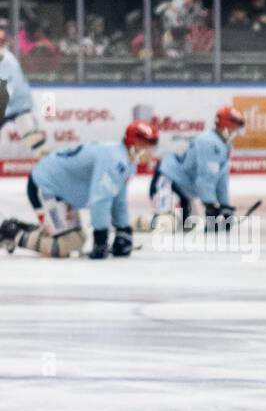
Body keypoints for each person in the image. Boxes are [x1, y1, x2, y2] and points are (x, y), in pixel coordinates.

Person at [2, 120, 158, 258]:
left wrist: (123, 231)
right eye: (147, 145)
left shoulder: (123, 160)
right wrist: (101, 238)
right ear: (134, 144)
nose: (151, 151)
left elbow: (118, 199)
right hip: (46, 186)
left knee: (77, 238)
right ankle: (10, 232)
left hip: (55, 187)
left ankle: (21, 229)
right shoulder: (116, 161)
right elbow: (100, 200)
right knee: (68, 244)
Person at [151, 106, 245, 230]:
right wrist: (210, 205)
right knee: (166, 225)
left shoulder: (224, 144)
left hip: (185, 190)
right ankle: (140, 222)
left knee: (190, 224)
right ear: (227, 125)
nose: (237, 131)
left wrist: (224, 205)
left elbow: (221, 179)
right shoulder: (209, 143)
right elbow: (204, 179)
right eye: (235, 126)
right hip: (168, 181)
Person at [0, 30, 49, 156]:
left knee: (32, 136)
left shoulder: (5, 59)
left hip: (16, 103)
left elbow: (10, 86)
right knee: (31, 134)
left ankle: (48, 163)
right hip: (16, 103)